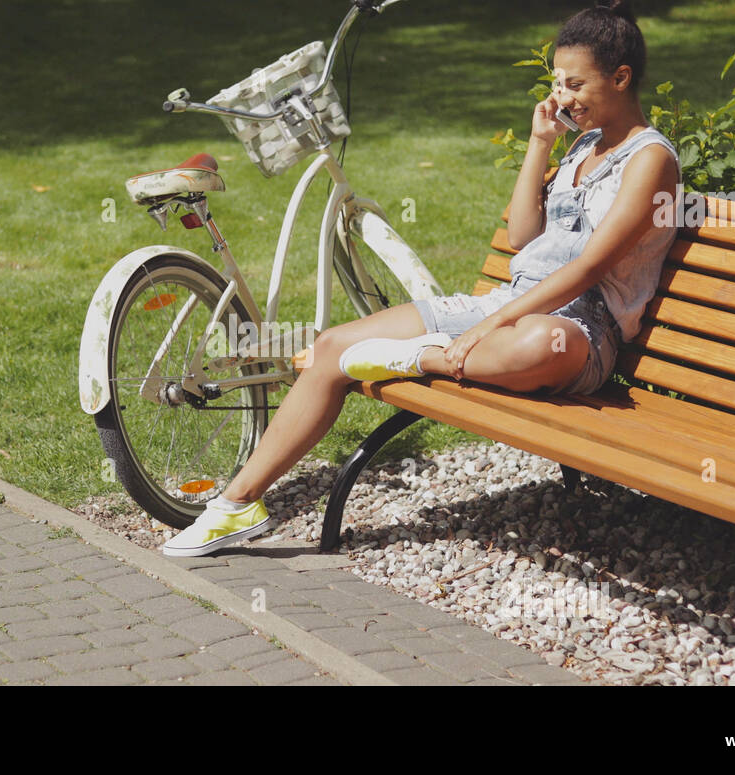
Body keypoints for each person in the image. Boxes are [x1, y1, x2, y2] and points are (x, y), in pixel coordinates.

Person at [163, 0, 681, 557]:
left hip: (580, 331)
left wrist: (489, 327)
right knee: (333, 347)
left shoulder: (649, 161)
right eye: (558, 83)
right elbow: (524, 237)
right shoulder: (582, 144)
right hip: (510, 302)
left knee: (535, 343)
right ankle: (236, 506)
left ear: (621, 77)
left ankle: (424, 358)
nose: (563, 97)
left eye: (575, 83)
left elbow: (588, 269)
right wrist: (539, 144)